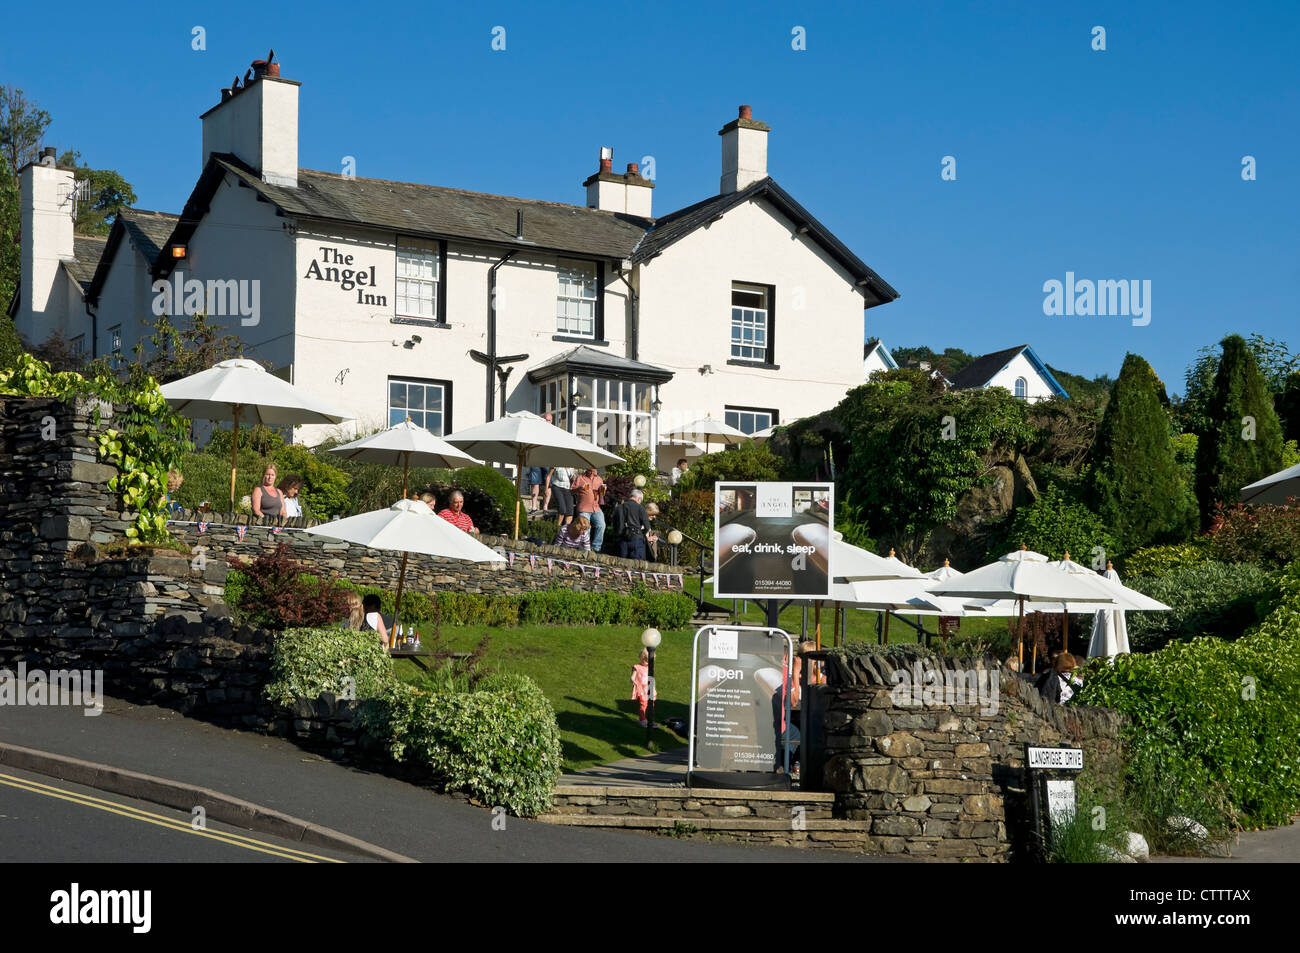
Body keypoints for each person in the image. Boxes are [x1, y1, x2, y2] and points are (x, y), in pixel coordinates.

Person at [572, 467, 606, 552]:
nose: (592, 471)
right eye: (591, 469)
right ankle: (584, 548)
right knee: (585, 528)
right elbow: (571, 491)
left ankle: (596, 548)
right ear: (587, 469)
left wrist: (603, 490)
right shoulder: (580, 478)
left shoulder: (599, 479)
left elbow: (602, 494)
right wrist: (579, 488)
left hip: (596, 507)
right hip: (584, 507)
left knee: (601, 525)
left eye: (594, 469)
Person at [612, 488, 651, 560]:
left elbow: (614, 525)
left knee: (621, 566)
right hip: (637, 539)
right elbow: (647, 527)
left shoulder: (619, 508)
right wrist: (643, 534)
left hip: (622, 540)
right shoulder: (640, 508)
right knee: (637, 567)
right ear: (639, 499)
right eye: (640, 501)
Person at [631, 647, 656, 727]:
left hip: (650, 687)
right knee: (644, 704)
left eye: (649, 660)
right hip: (642, 689)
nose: (647, 662)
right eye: (645, 659)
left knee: (651, 705)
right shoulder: (637, 667)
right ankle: (642, 720)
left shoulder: (650, 667)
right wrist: (633, 681)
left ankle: (650, 720)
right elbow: (632, 677)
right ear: (642, 658)